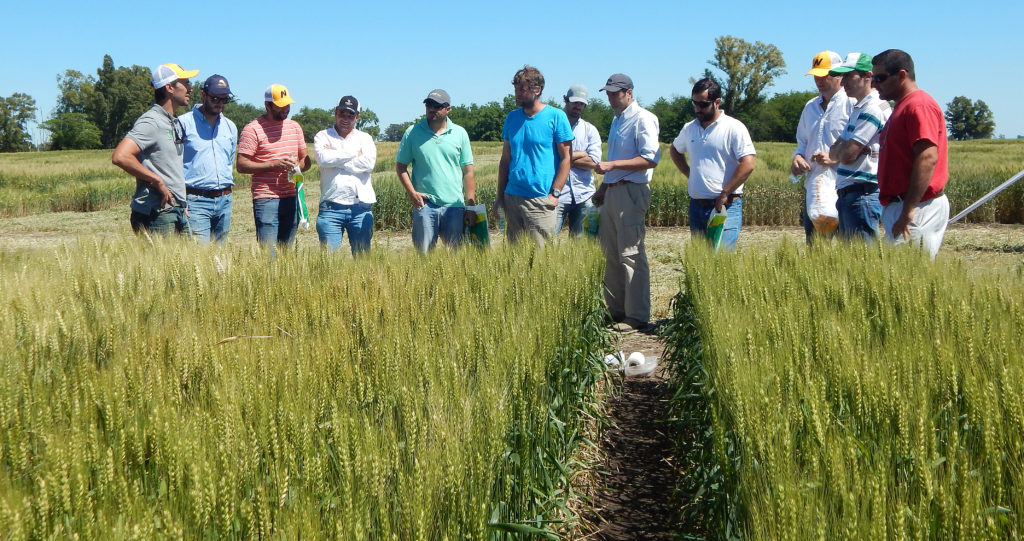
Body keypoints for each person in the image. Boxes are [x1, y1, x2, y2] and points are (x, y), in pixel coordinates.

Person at [591, 74, 660, 332]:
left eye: (614, 93)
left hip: (632, 191)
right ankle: (616, 310)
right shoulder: (617, 119)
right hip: (614, 191)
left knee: (630, 253)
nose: (610, 98)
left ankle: (637, 315)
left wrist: (613, 166)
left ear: (629, 92)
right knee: (610, 252)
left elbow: (650, 159)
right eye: (607, 93)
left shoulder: (644, 118)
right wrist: (605, 187)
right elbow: (616, 156)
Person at [873, 49, 949, 258]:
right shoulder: (902, 107)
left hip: (917, 207)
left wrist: (908, 210)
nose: (874, 84)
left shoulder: (918, 105)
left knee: (909, 277)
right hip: (904, 205)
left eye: (880, 78)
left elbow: (927, 157)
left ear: (902, 75)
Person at [669, 77, 756, 251]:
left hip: (726, 207)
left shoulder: (734, 127)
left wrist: (725, 192)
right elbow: (675, 150)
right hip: (697, 207)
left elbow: (748, 164)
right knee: (701, 263)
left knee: (720, 262)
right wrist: (689, 174)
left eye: (703, 104)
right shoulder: (689, 128)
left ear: (717, 102)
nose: (697, 109)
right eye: (694, 103)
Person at [112, 63, 197, 236]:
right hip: (157, 212)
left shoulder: (173, 121)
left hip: (175, 209)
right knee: (163, 263)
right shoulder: (151, 121)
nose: (190, 88)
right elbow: (120, 156)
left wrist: (181, 203)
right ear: (169, 88)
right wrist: (157, 180)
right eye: (185, 83)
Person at [496, 65, 573, 247]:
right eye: (515, 89)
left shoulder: (556, 117)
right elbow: (505, 160)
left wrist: (555, 193)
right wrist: (500, 197)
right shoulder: (511, 118)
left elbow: (566, 159)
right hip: (512, 197)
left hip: (540, 200)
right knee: (516, 258)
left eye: (521, 89)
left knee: (541, 260)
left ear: (537, 90)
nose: (517, 94)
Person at [396, 89, 476, 253]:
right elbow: (400, 167)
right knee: (424, 257)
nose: (432, 109)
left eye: (437, 106)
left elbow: (468, 172)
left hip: (455, 206)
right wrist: (412, 193)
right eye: (429, 105)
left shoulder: (460, 133)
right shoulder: (412, 132)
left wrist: (470, 206)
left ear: (448, 109)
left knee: (456, 257)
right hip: (425, 205)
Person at [236, 84, 311, 255]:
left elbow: (306, 162)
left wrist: (296, 167)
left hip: (292, 196)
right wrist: (273, 164)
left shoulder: (294, 127)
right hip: (266, 197)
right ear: (267, 105)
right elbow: (241, 165)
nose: (285, 109)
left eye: (287, 104)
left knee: (286, 253)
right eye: (280, 105)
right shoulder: (252, 129)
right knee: (268, 254)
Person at [825, 53, 891, 241]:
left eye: (848, 76)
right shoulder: (859, 108)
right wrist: (842, 149)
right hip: (852, 194)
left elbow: (847, 154)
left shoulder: (873, 109)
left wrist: (843, 149)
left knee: (861, 261)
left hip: (862, 194)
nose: (843, 82)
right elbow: (834, 150)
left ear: (867, 76)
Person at [792, 50, 853, 243]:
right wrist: (798, 158)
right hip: (815, 190)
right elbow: (802, 143)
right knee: (816, 252)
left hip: (843, 188)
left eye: (824, 75)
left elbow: (864, 144)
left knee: (849, 251)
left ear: (839, 75)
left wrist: (835, 158)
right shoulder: (809, 107)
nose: (819, 80)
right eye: (816, 76)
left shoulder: (851, 104)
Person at [313, 96, 378, 255]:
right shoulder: (322, 136)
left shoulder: (366, 138)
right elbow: (323, 159)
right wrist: (354, 154)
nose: (346, 119)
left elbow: (368, 164)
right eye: (342, 113)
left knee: (363, 260)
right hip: (330, 208)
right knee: (329, 261)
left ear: (357, 117)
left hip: (360, 208)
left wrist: (335, 155)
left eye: (351, 115)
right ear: (335, 113)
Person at [179, 74, 238, 244]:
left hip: (225, 199)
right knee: (200, 257)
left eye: (224, 99)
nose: (220, 103)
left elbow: (229, 161)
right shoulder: (183, 124)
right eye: (215, 98)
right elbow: (173, 163)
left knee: (220, 259)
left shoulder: (230, 127)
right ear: (203, 95)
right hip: (195, 199)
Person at [556, 84, 602, 236]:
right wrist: (581, 154)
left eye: (582, 103)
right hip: (557, 194)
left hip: (584, 195)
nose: (578, 106)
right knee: (547, 241)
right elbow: (548, 157)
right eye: (575, 102)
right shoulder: (553, 126)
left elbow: (593, 163)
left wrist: (564, 158)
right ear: (566, 100)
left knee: (582, 244)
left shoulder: (590, 130)